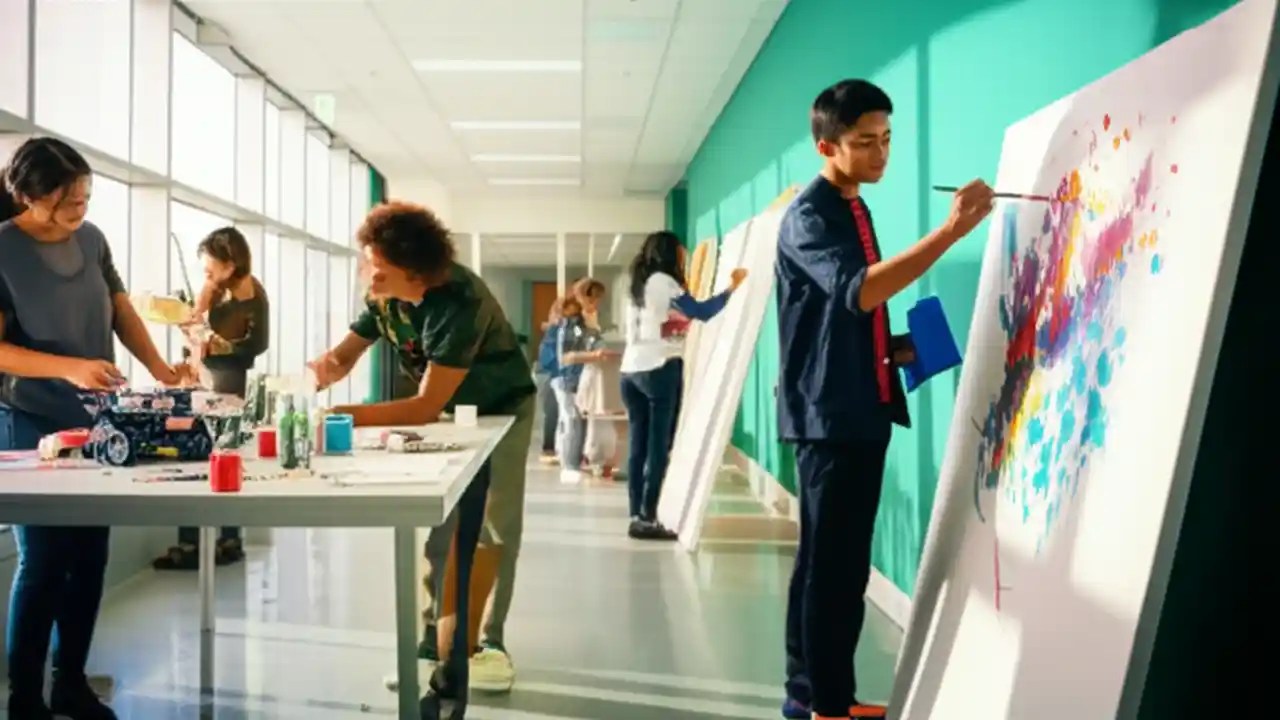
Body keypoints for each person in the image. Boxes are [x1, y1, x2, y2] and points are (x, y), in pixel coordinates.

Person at [775, 79, 994, 720]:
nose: (881, 154)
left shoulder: (855, 206)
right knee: (835, 570)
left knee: (828, 562)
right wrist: (951, 232)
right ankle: (829, 708)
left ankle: (810, 695)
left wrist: (894, 345)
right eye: (865, 142)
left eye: (888, 139)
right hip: (830, 416)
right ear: (827, 145)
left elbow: (846, 314)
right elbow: (858, 292)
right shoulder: (810, 215)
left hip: (858, 403)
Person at [307, 201, 535, 693]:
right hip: (451, 410)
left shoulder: (459, 301)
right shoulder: (383, 295)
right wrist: (315, 374)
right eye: (368, 264)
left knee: (494, 526)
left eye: (380, 269)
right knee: (438, 520)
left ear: (416, 272)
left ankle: (486, 643)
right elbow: (344, 356)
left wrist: (340, 416)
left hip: (504, 407)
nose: (370, 278)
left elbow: (424, 406)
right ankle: (434, 640)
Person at [0, 137, 184, 719]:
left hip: (96, 425)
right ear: (28, 195)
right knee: (44, 560)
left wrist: (161, 370)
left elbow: (122, 310)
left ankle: (70, 683)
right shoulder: (2, 249)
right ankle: (25, 700)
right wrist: (71, 367)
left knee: (90, 557)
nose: (80, 205)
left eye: (84, 193)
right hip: (30, 421)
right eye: (66, 196)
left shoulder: (94, 239)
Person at [153, 227, 269, 571]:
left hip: (228, 383)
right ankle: (201, 542)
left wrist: (205, 337)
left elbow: (248, 345)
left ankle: (220, 541)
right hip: (207, 380)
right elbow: (196, 325)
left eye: (210, 269)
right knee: (201, 457)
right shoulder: (218, 289)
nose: (206, 276)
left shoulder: (249, 297)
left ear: (230, 264)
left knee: (219, 458)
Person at [619, 231, 746, 540]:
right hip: (659, 368)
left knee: (638, 446)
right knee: (659, 445)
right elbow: (702, 312)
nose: (685, 255)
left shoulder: (635, 284)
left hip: (630, 371)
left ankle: (637, 514)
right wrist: (733, 286)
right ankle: (649, 517)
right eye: (680, 251)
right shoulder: (664, 280)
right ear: (669, 253)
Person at [552, 278, 613, 483]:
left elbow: (594, 342)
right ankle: (569, 466)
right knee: (572, 422)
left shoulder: (585, 324)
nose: (595, 305)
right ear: (581, 296)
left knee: (580, 422)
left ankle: (575, 462)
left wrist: (596, 333)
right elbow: (567, 357)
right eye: (593, 299)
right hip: (567, 379)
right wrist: (595, 355)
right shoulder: (571, 324)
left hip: (581, 380)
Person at [534, 301, 561, 463]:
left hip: (556, 373)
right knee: (552, 412)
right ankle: (549, 448)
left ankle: (553, 447)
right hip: (549, 374)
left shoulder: (562, 330)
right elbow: (548, 358)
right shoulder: (554, 331)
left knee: (558, 413)